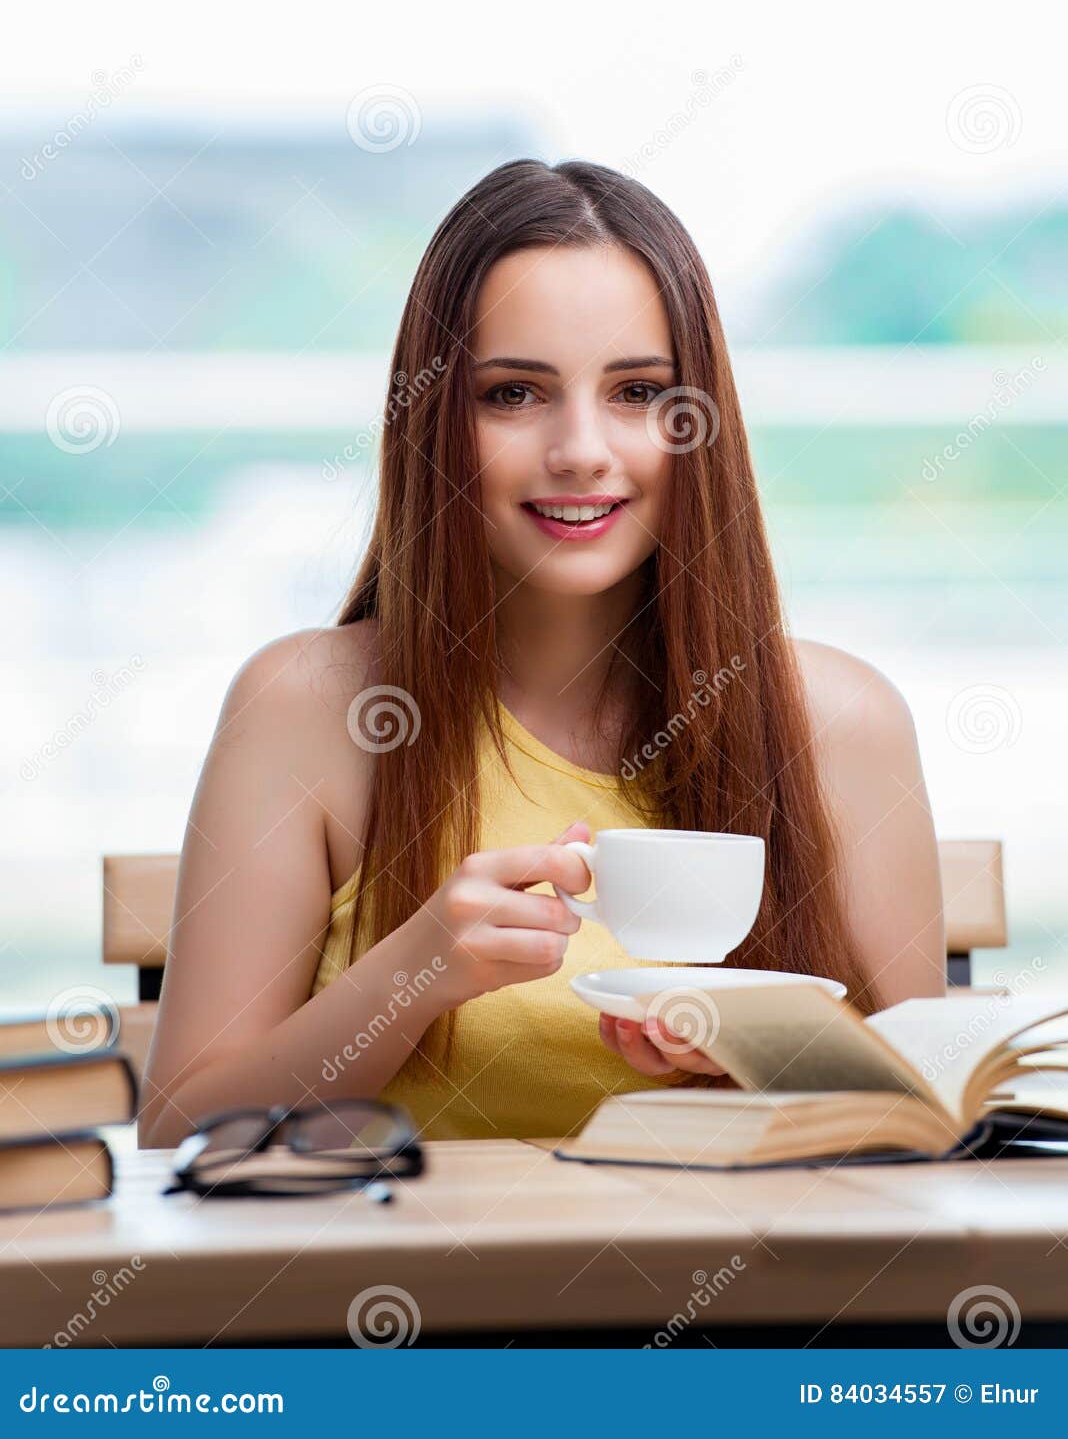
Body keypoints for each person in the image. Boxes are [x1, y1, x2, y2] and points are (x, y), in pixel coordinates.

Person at [138, 159, 945, 1148]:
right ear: (434, 419)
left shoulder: (843, 721)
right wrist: (413, 975)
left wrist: (756, 1052)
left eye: (638, 391)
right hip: (417, 1296)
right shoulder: (307, 705)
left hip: (762, 1299)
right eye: (514, 392)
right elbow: (179, 1128)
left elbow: (936, 1123)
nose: (581, 450)